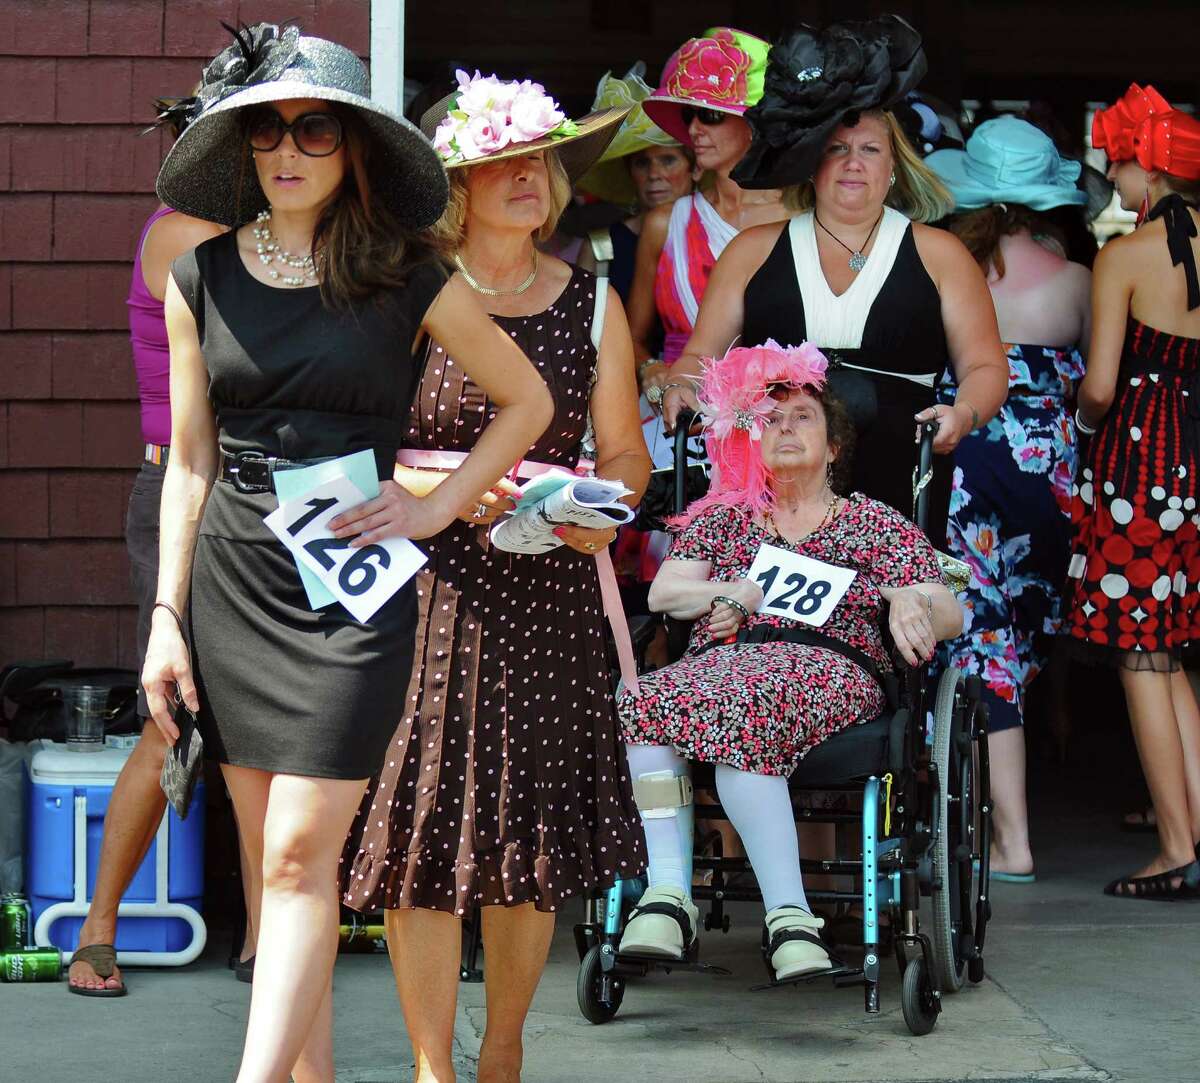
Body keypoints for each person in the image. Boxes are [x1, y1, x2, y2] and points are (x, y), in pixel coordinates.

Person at [142, 26, 553, 1083]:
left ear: (353, 149)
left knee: (296, 858)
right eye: (267, 130)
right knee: (274, 870)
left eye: (314, 130)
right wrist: (164, 618)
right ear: (241, 149)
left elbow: (526, 402)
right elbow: (188, 464)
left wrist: (433, 509)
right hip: (234, 578)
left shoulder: (407, 277)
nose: (289, 151)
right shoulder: (197, 277)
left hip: (349, 592)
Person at [338, 70, 649, 1083]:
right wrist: (429, 488)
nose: (529, 180)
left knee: (530, 834)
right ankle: (435, 1066)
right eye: (500, 164)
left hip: (550, 587)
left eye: (540, 163)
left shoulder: (597, 302)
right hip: (419, 592)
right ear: (455, 188)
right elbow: (347, 439)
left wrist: (604, 513)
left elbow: (626, 453)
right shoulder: (404, 294)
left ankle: (504, 1054)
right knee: (423, 827)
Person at [615, 341, 962, 975]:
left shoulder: (873, 524)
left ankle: (790, 917)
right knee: (642, 697)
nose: (784, 428)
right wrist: (729, 591)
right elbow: (666, 592)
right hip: (725, 666)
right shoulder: (727, 518)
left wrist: (910, 595)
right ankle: (667, 896)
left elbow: (951, 611)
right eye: (769, 420)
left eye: (802, 416)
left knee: (745, 709)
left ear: (834, 447)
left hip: (830, 667)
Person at [662, 16, 1008, 544]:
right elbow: (698, 357)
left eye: (869, 149)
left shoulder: (942, 254)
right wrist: (681, 387)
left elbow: (984, 365)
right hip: (773, 484)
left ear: (894, 163)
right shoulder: (751, 251)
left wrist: (964, 412)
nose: (853, 164)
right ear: (810, 162)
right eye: (836, 149)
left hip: (899, 481)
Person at [66, 96, 225, 999]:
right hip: (181, 490)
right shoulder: (182, 235)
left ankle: (258, 936)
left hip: (264, 495)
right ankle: (98, 926)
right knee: (173, 715)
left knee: (264, 729)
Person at [925, 116, 1093, 883]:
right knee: (1017, 647)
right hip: (1050, 481)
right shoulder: (1076, 280)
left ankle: (1008, 838)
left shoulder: (944, 266)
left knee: (978, 647)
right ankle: (1000, 824)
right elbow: (1099, 387)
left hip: (970, 465)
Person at [1064, 82, 1200, 899]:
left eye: (1117, 165)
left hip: (1137, 472)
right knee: (1176, 652)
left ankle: (1177, 845)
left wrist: (1081, 427)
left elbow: (1102, 387)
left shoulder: (1123, 255)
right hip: (1199, 462)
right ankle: (1196, 830)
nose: (1113, 182)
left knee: (1140, 656)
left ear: (1146, 168)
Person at [632, 28, 785, 409]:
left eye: (712, 115)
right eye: (689, 115)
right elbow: (632, 337)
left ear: (754, 125)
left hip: (781, 415)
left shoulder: (800, 219)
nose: (695, 129)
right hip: (683, 413)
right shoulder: (664, 223)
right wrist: (649, 367)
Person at [575, 65, 698, 302]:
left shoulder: (717, 232)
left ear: (694, 168)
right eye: (642, 163)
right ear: (629, 172)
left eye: (668, 160)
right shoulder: (602, 246)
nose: (654, 174)